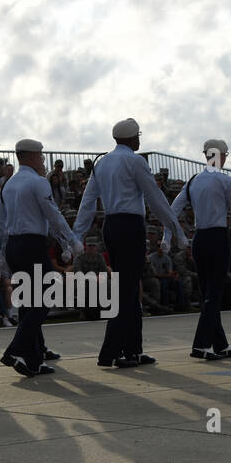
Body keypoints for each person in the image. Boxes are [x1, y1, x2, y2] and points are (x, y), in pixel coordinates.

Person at [72, 117, 187, 367]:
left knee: (131, 289)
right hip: (129, 226)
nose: (139, 139)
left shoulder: (101, 163)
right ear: (132, 138)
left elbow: (88, 201)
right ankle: (111, 352)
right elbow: (155, 197)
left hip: (111, 226)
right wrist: (176, 229)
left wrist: (77, 234)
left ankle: (133, 349)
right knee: (126, 291)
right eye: (138, 135)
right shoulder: (135, 161)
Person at [0, 138, 81, 377]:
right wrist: (71, 240)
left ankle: (33, 357)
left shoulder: (8, 185)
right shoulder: (39, 183)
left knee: (28, 301)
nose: (42, 159)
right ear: (30, 156)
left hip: (13, 246)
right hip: (32, 245)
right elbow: (53, 216)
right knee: (46, 297)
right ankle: (16, 349)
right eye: (40, 155)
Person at [162, 138, 231, 359]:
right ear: (222, 155)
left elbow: (171, 211)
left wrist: (168, 236)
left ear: (206, 155)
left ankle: (220, 344)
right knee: (213, 295)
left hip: (199, 240)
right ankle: (200, 345)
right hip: (216, 238)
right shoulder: (225, 181)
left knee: (208, 294)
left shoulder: (193, 181)